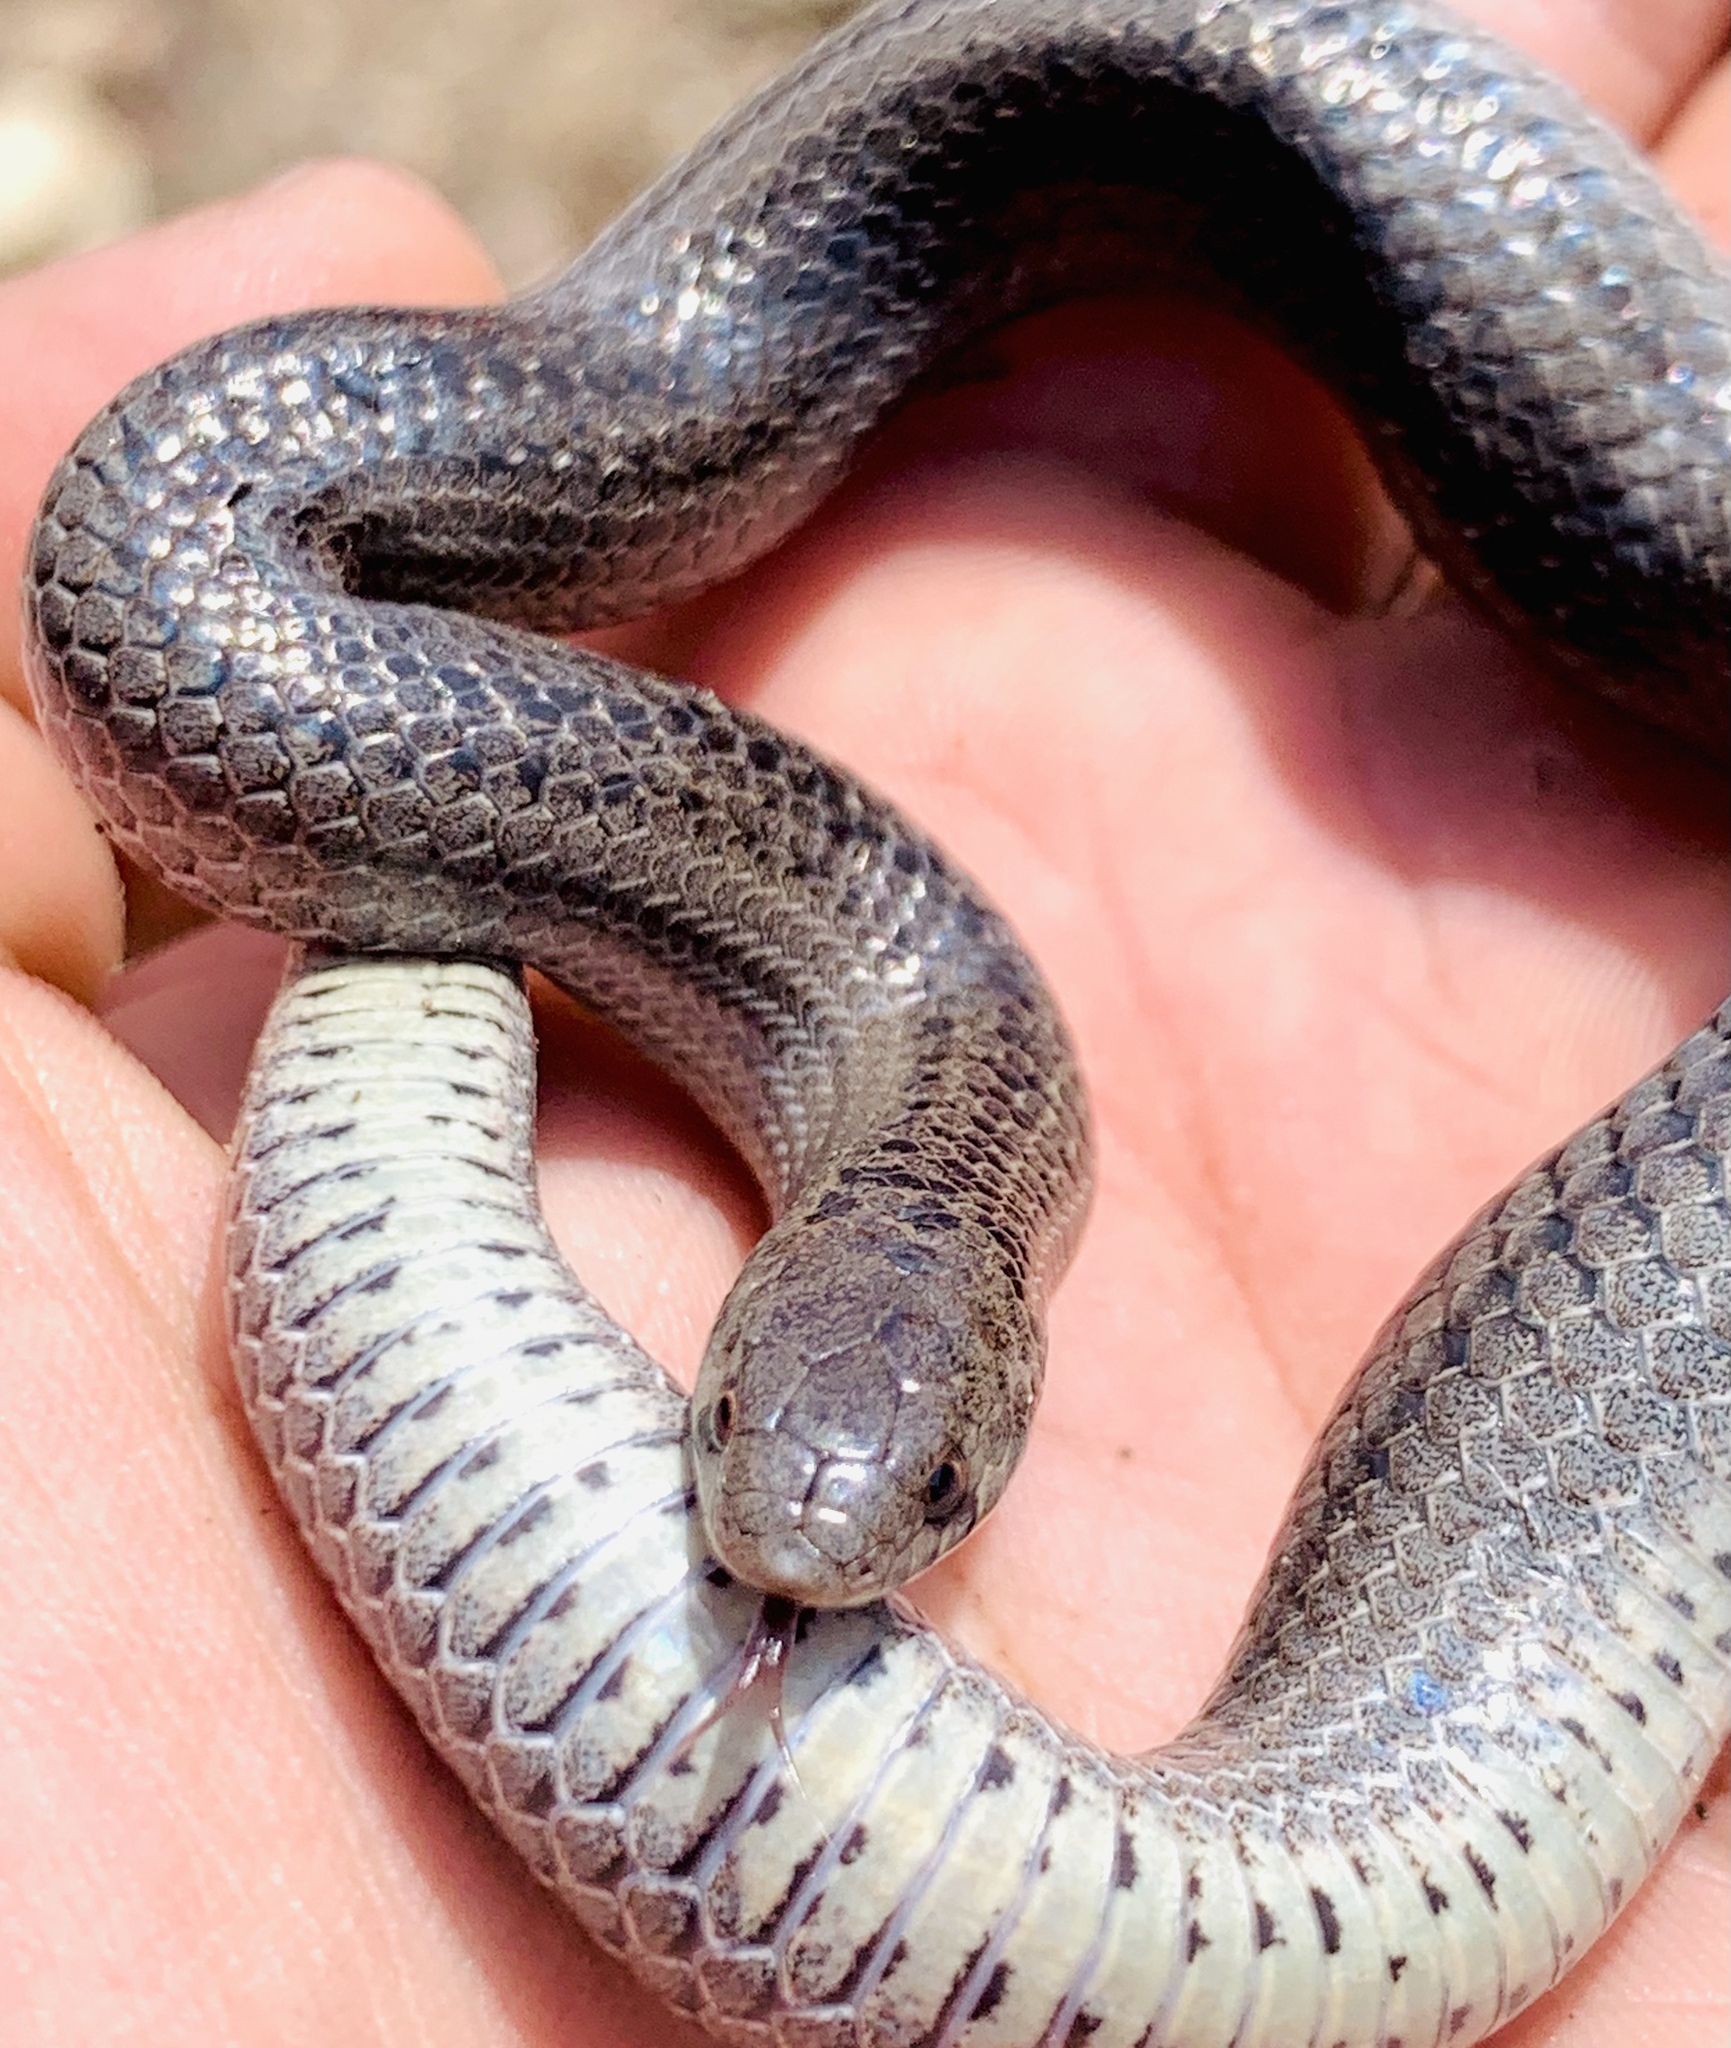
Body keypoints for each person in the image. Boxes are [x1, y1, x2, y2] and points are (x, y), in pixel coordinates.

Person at [0, 5, 1724, 2041]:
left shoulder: (905, 1026)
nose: (793, 1529)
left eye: (911, 1498)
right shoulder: (886, 995)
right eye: (730, 1430)